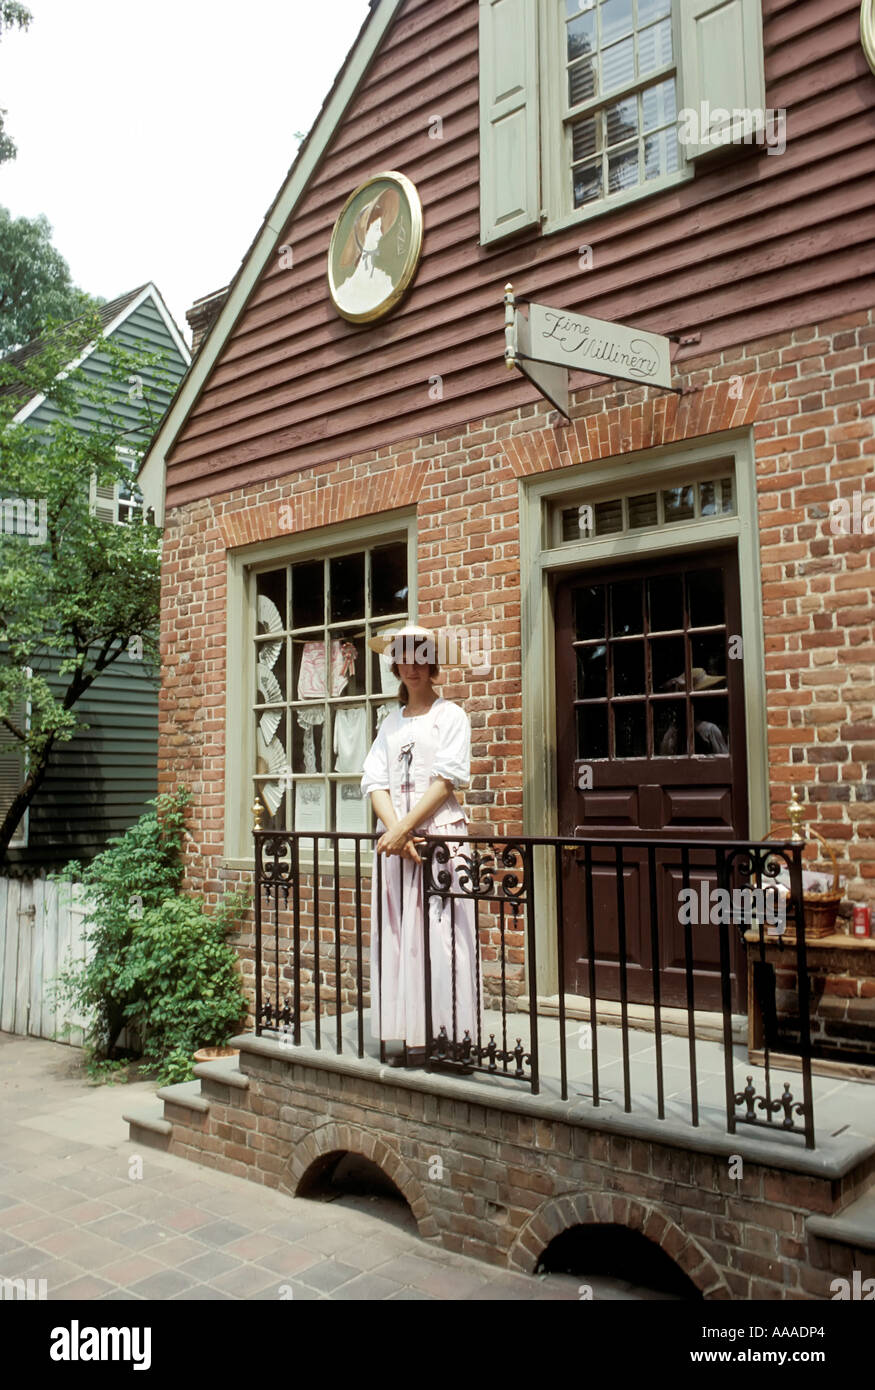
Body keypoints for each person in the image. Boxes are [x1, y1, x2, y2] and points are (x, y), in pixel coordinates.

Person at [361, 625, 481, 1067]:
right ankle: (410, 1037)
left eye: (420, 657)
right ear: (395, 664)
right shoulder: (388, 724)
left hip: (440, 843)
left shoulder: (451, 716)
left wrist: (406, 829)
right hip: (400, 849)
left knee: (443, 938)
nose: (411, 665)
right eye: (403, 657)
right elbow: (375, 781)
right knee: (401, 938)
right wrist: (396, 832)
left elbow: (447, 779)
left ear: (432, 664)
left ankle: (451, 1039)